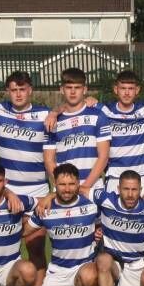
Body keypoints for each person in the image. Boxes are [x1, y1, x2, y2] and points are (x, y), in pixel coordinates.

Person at [0, 71, 51, 286]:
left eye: (22, 89)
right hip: (9, 191)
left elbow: (68, 113)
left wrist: (90, 102)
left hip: (37, 190)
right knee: (7, 245)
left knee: (35, 246)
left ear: (30, 90)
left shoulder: (45, 114)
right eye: (14, 90)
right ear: (8, 91)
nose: (18, 94)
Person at [24, 163, 101, 286]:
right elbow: (23, 232)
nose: (67, 189)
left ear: (78, 184)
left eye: (72, 184)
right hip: (58, 271)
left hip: (84, 267)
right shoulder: (45, 209)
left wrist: (100, 231)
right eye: (62, 184)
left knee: (92, 275)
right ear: (55, 185)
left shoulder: (92, 205)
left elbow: (113, 216)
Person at [43, 68, 110, 198]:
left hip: (91, 188)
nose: (73, 91)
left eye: (77, 87)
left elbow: (104, 156)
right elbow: (48, 160)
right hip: (64, 192)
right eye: (69, 87)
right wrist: (62, 185)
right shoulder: (52, 121)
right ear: (61, 89)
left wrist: (85, 186)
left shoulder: (98, 116)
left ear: (84, 89)